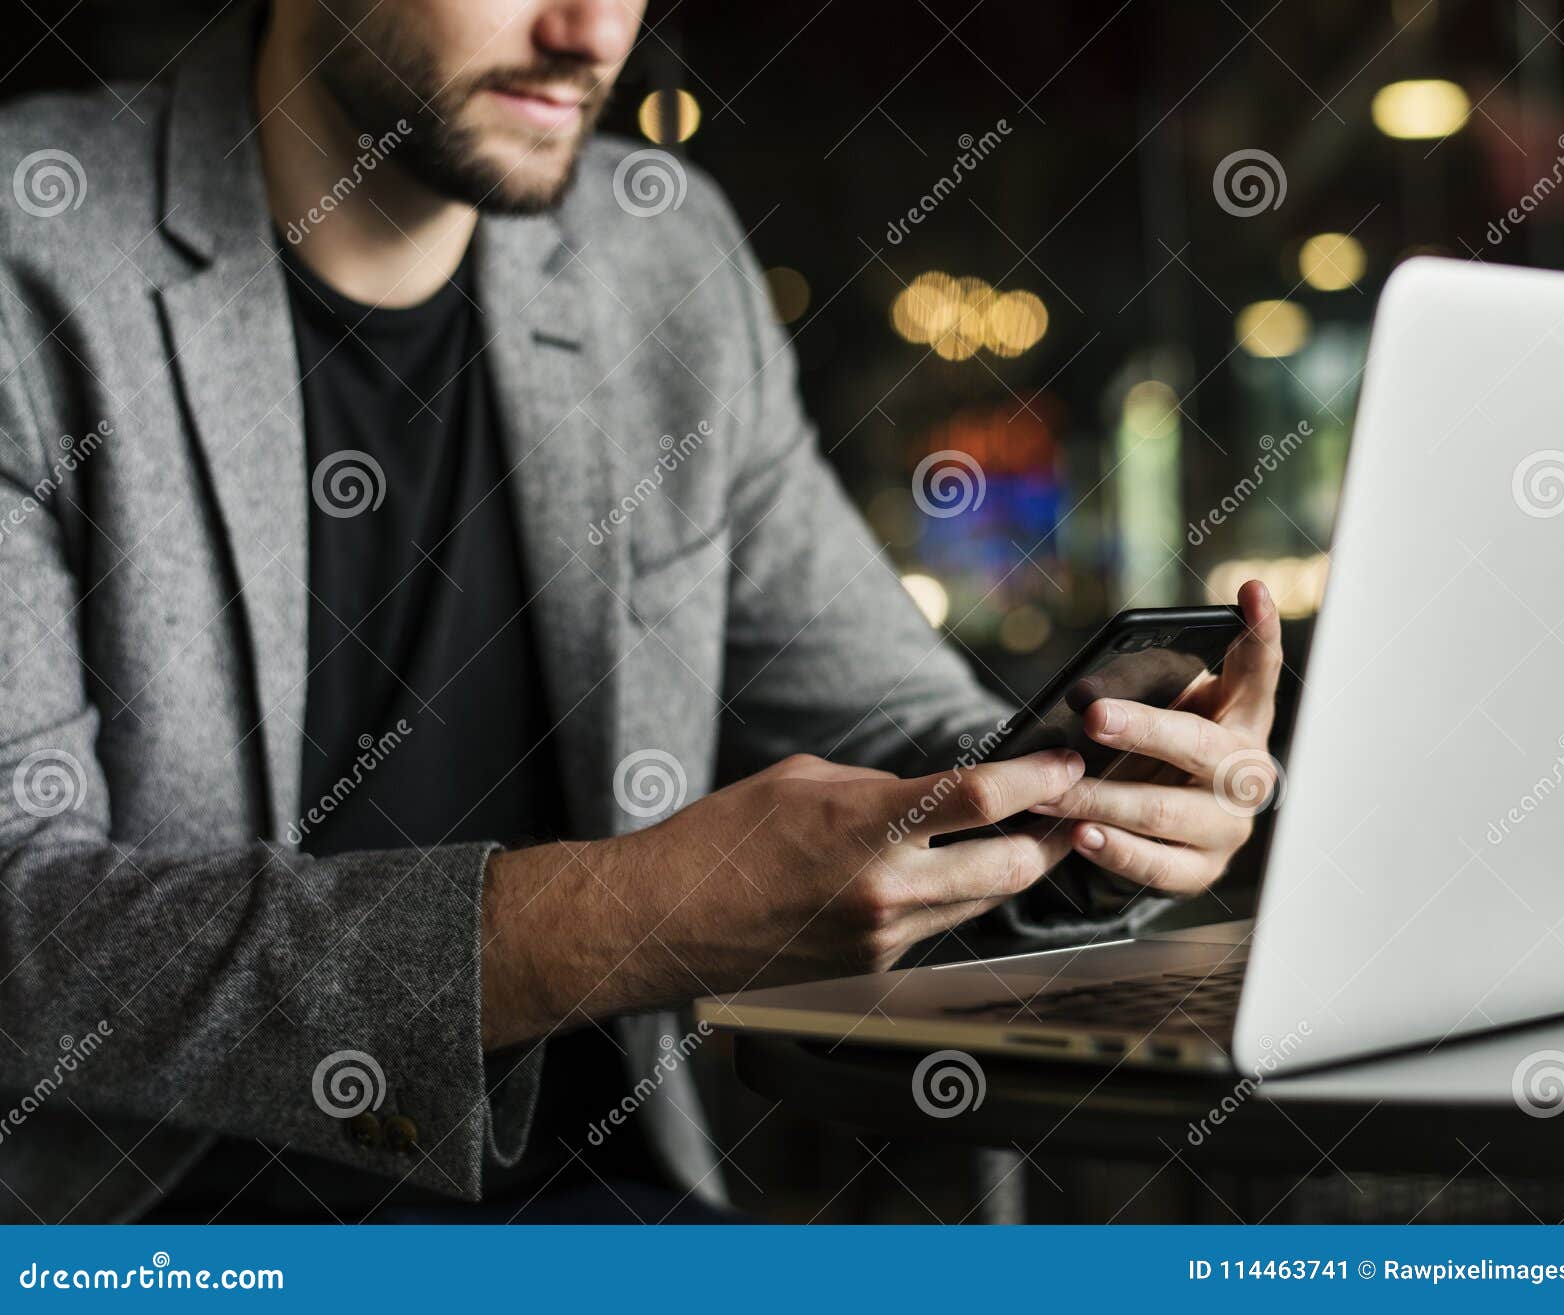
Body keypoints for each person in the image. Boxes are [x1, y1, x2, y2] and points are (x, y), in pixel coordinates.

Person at [0, 0, 1281, 1223]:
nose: (592, 39)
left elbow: (890, 718)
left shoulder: (660, 257)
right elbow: (25, 927)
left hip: (598, 1209)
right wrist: (628, 918)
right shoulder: (32, 244)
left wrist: (1093, 794)